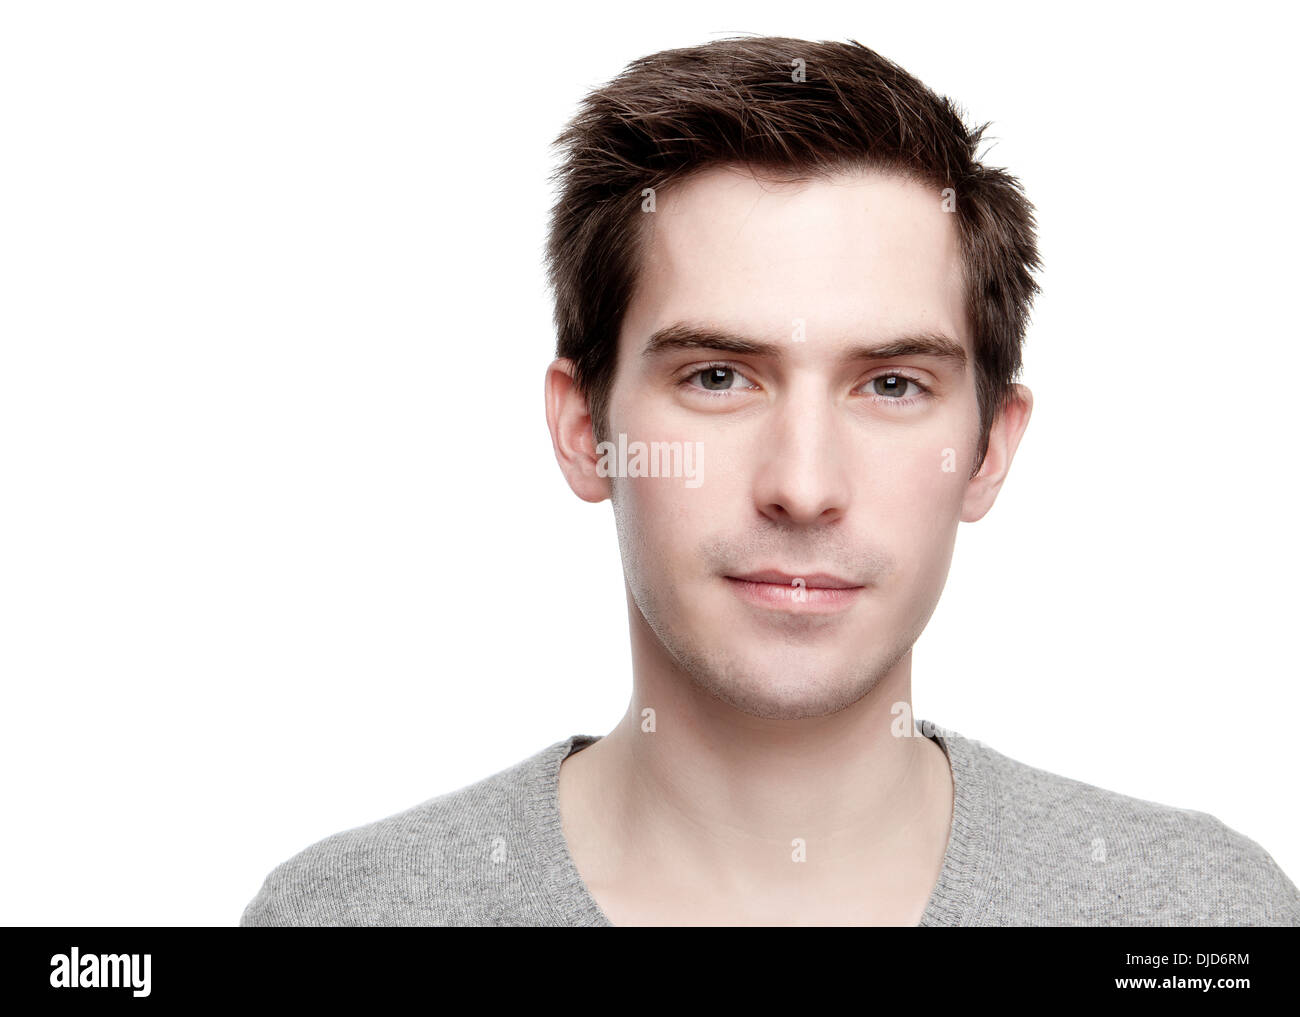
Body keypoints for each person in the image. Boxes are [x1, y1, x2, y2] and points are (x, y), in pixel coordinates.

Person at [240, 35, 1299, 926]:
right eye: (715, 376)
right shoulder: (347, 917)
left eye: (889, 384)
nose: (801, 485)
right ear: (582, 430)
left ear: (987, 449)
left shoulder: (1196, 919)